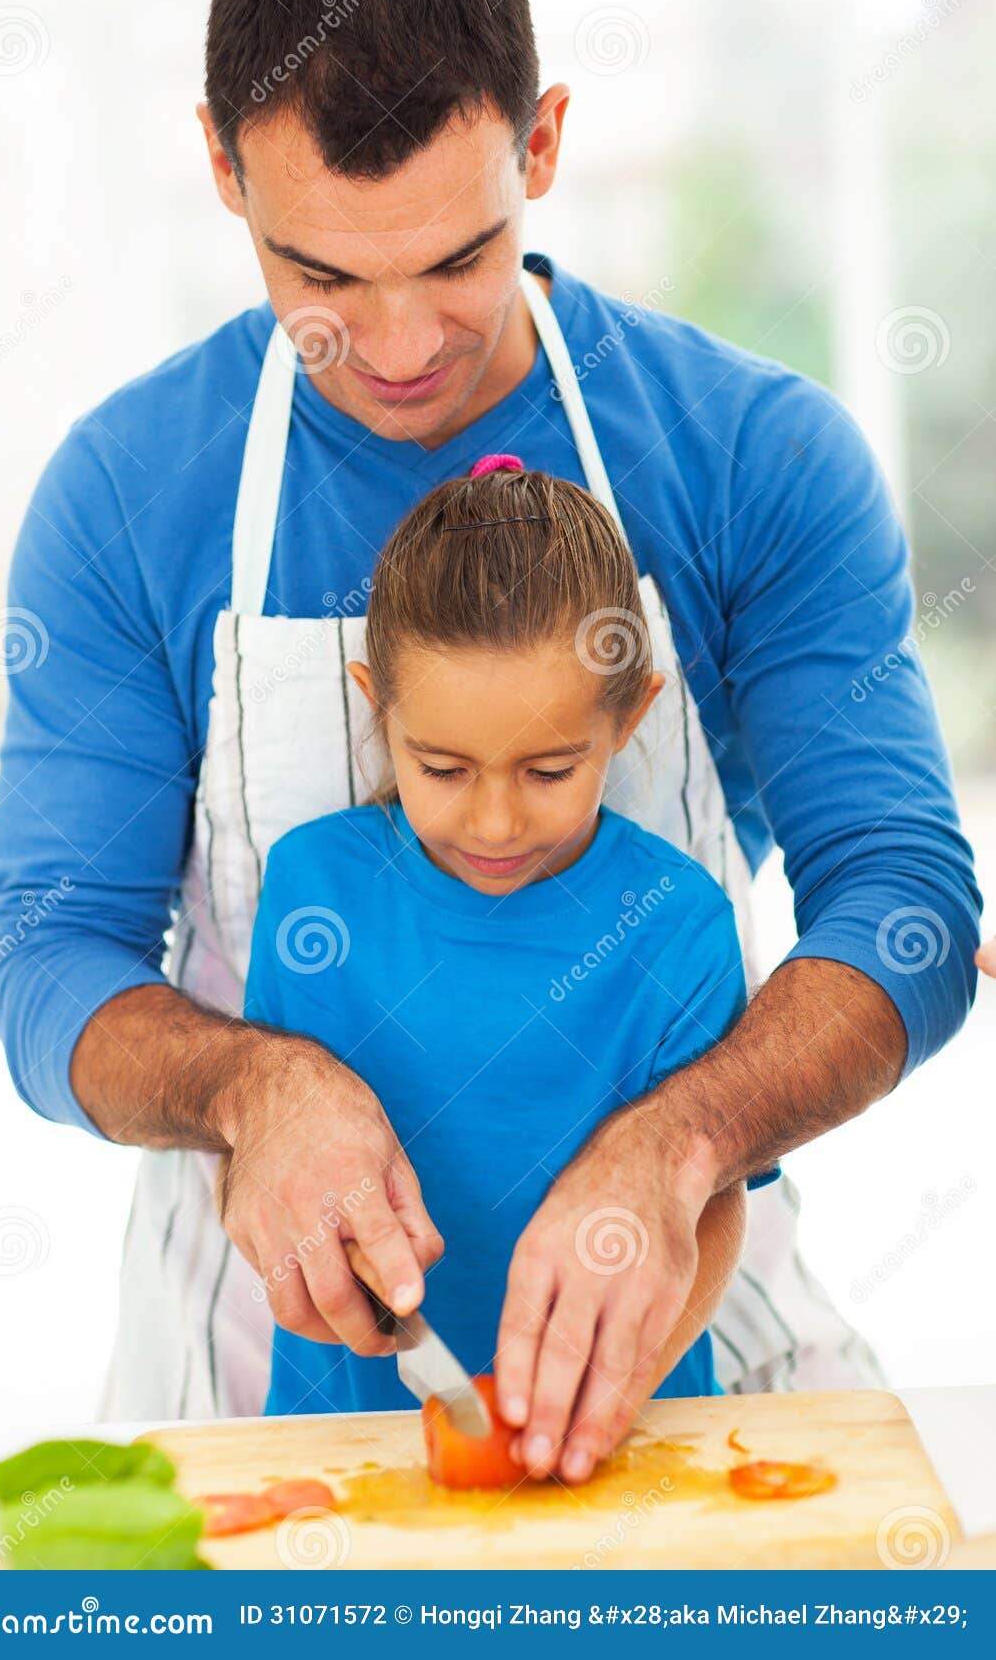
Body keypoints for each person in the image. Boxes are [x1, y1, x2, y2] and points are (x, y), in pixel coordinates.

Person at [0, 0, 980, 1476]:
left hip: (707, 1374)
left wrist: (676, 1146)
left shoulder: (752, 456)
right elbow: (51, 958)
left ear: (544, 143)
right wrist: (251, 1086)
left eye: (457, 257)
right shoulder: (128, 495)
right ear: (218, 167)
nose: (392, 344)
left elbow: (902, 902)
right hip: (256, 1411)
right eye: (315, 270)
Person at [245, 455, 763, 1480]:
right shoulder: (313, 889)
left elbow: (714, 1202)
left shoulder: (679, 921)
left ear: (630, 714)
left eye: (547, 769)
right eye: (439, 767)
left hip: (620, 1449)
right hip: (350, 1447)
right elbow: (263, 1152)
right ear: (372, 706)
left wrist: (608, 1388)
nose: (491, 821)